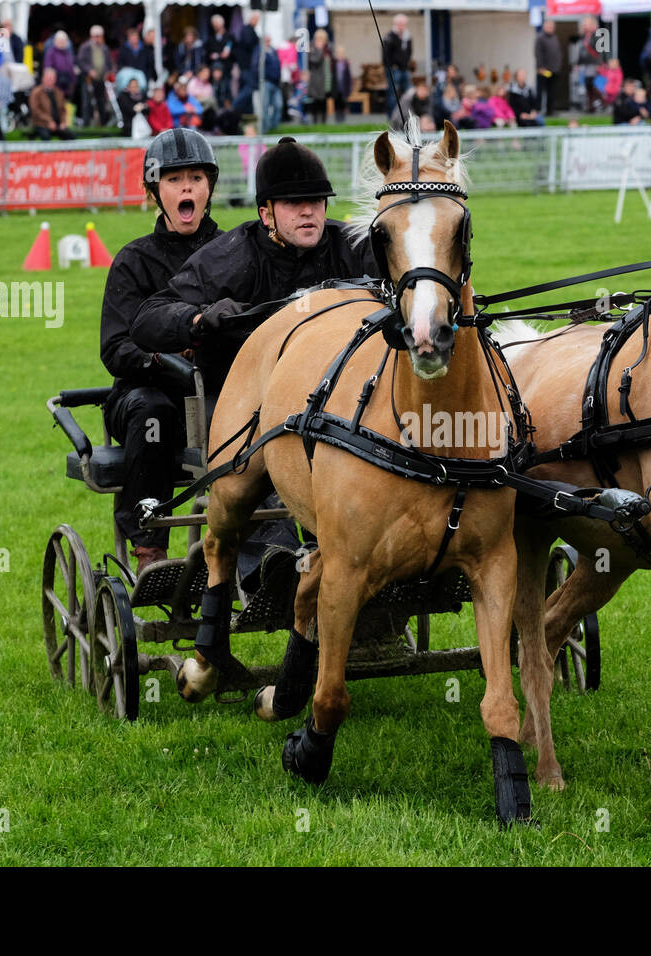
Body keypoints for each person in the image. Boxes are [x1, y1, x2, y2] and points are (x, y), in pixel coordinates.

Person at [131, 138, 377, 672]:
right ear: (266, 212)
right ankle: (271, 572)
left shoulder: (351, 244)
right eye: (294, 204)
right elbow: (149, 317)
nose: (309, 212)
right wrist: (198, 320)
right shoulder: (231, 254)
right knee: (270, 471)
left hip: (337, 407)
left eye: (317, 201)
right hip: (243, 409)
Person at [101, 129, 223, 574]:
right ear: (155, 191)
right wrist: (169, 361)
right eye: (174, 180)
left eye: (195, 178)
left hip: (220, 393)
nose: (186, 188)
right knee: (153, 412)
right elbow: (115, 349)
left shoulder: (233, 251)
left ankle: (271, 545)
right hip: (145, 393)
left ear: (210, 186)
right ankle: (150, 548)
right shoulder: (134, 261)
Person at [30, 67, 74, 140]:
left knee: (71, 136)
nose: (50, 81)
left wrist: (63, 122)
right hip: (42, 124)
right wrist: (49, 121)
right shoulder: (36, 93)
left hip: (58, 124)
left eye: (52, 78)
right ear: (43, 78)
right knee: (46, 137)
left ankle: (66, 151)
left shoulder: (59, 92)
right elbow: (35, 111)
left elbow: (63, 110)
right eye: (48, 78)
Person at [382, 14, 412, 117]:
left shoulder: (407, 37)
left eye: (404, 24)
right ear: (395, 24)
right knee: (393, 94)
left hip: (404, 68)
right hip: (394, 69)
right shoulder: (389, 37)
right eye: (400, 24)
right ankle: (392, 117)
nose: (402, 26)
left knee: (409, 93)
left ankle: (407, 116)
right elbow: (385, 54)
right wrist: (391, 65)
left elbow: (409, 52)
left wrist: (406, 63)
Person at [535, 19, 564, 115]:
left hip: (554, 70)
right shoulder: (540, 38)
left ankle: (550, 110)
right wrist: (540, 67)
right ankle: (539, 110)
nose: (550, 28)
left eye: (552, 26)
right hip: (544, 70)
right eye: (549, 26)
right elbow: (538, 54)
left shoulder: (555, 38)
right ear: (544, 26)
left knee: (552, 91)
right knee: (542, 90)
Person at [204, 14, 233, 110]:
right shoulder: (211, 38)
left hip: (226, 69)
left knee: (226, 91)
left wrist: (227, 55)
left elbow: (234, 52)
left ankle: (226, 110)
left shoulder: (229, 37)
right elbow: (207, 51)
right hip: (214, 68)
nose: (215, 27)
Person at [304, 29, 333, 125]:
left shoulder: (328, 49)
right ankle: (315, 122)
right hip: (316, 80)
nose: (322, 41)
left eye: (323, 39)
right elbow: (314, 61)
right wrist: (319, 50)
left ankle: (324, 122)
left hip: (326, 79)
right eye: (320, 39)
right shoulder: (312, 48)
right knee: (316, 101)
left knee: (324, 101)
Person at [43, 31, 77, 100]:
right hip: (56, 83)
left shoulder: (68, 53)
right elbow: (48, 68)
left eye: (64, 41)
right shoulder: (51, 52)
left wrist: (74, 81)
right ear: (55, 41)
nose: (62, 43)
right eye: (60, 41)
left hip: (67, 83)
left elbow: (71, 68)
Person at [332, 44, 353, 122]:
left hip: (344, 88)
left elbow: (348, 77)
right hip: (336, 88)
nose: (340, 55)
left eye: (342, 53)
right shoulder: (334, 63)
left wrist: (349, 88)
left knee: (344, 104)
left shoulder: (346, 64)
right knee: (337, 105)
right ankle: (337, 120)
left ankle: (343, 120)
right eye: (339, 53)